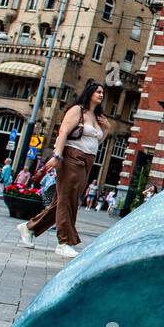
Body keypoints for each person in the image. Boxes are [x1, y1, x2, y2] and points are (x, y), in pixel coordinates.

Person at [18, 80, 108, 258]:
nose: (101, 95)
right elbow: (63, 132)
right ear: (89, 92)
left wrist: (107, 128)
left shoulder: (96, 116)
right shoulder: (77, 110)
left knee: (63, 201)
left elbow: (96, 141)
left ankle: (29, 227)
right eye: (98, 91)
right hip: (72, 158)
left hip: (87, 160)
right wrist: (57, 156)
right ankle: (63, 242)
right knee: (68, 200)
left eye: (102, 92)